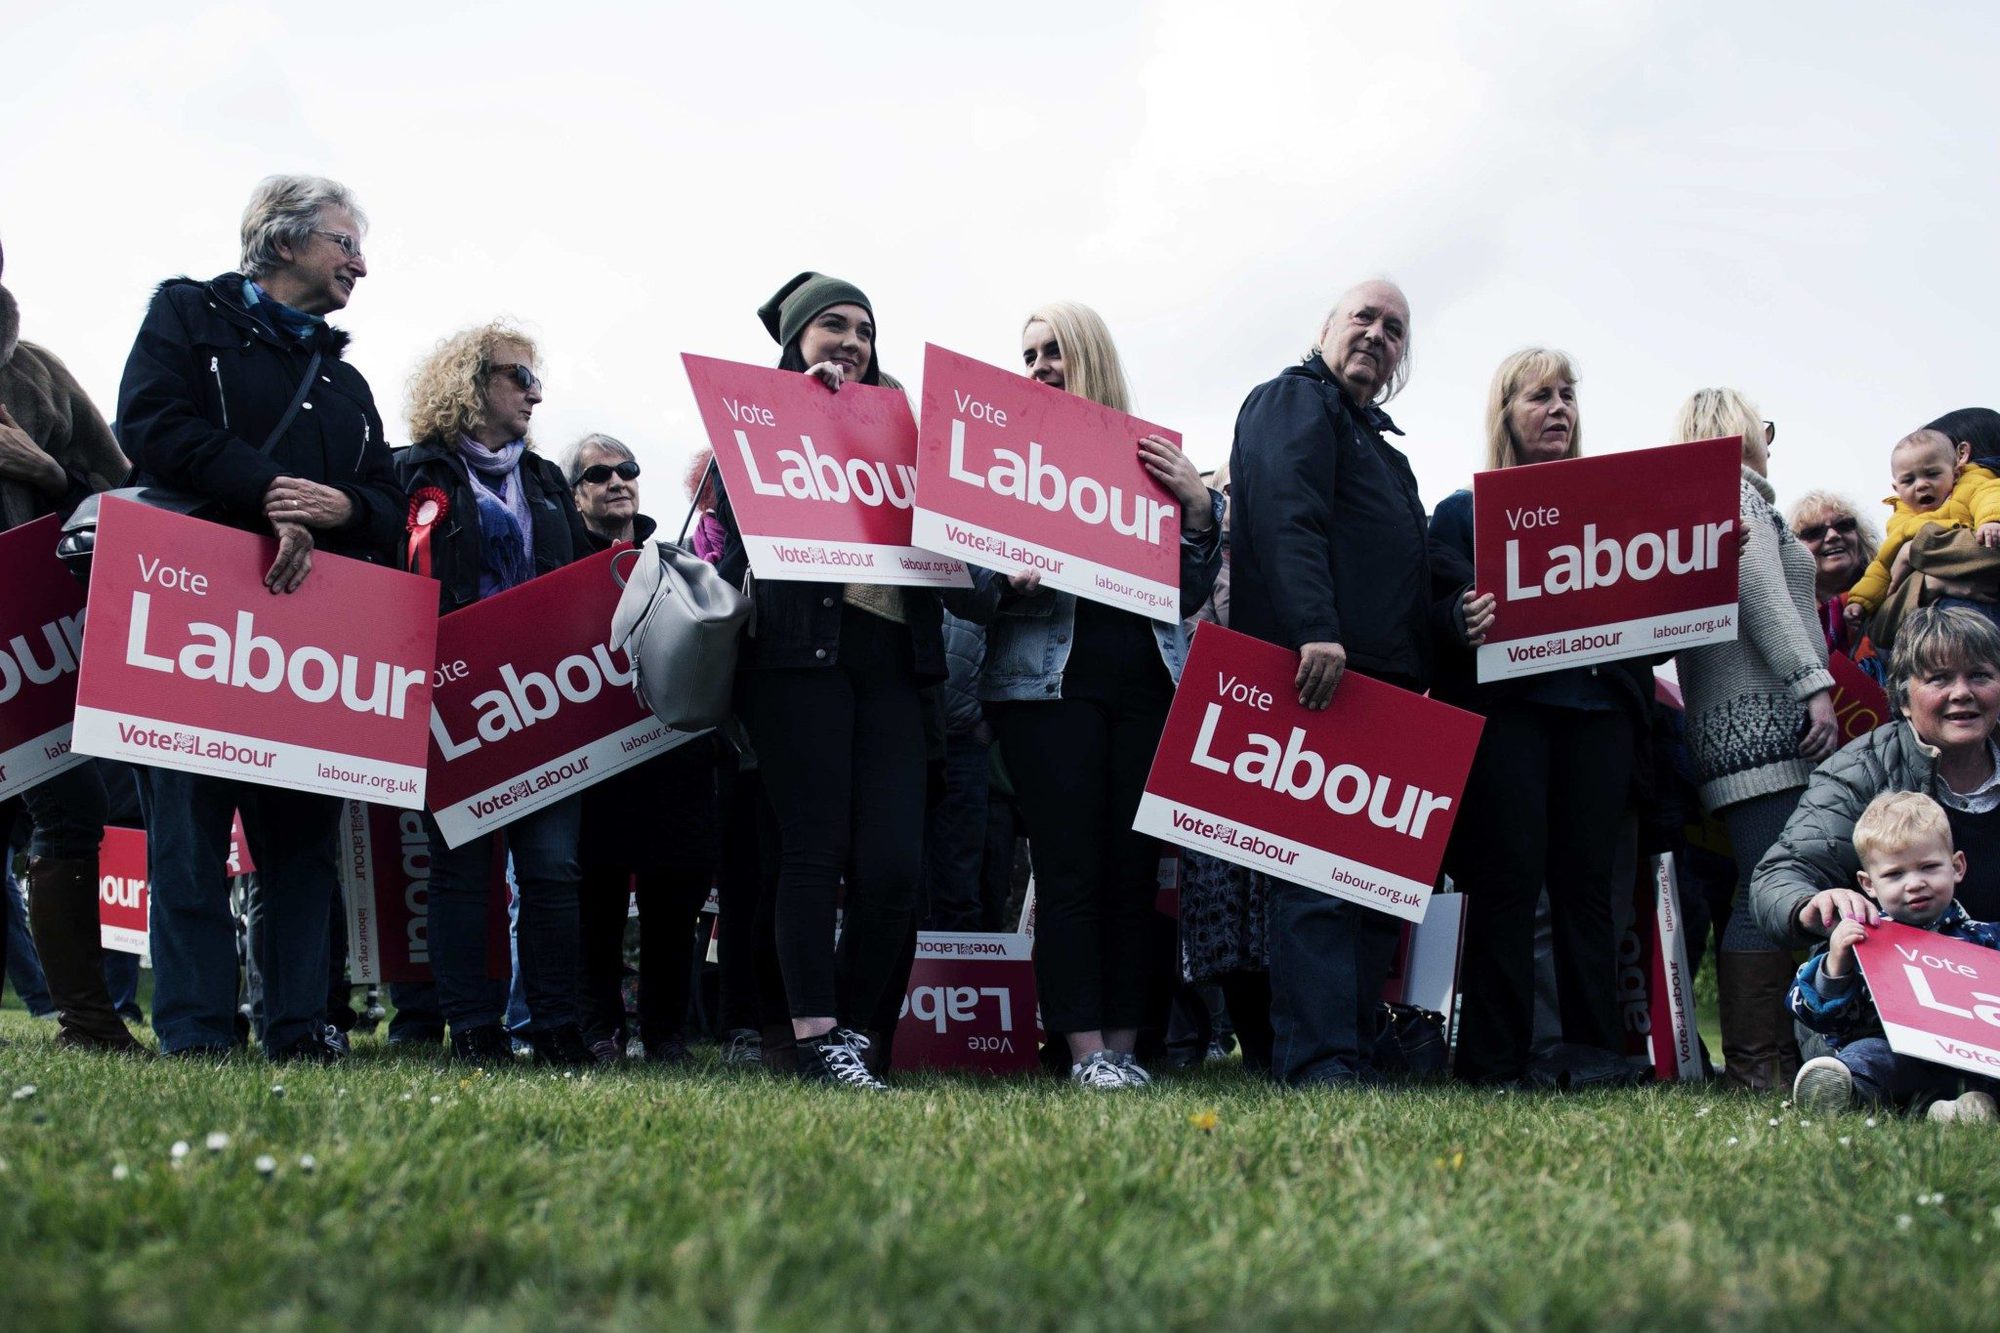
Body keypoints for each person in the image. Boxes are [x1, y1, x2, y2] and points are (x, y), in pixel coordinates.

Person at [116, 175, 401, 1061]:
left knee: (302, 844)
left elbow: (389, 503)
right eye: (344, 242)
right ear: (283, 243)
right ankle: (197, 1030)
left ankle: (298, 1024)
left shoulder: (347, 383)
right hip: (191, 618)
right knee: (189, 835)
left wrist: (344, 510)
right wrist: (266, 491)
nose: (361, 262)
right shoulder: (186, 317)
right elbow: (149, 423)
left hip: (304, 642)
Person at [1226, 278, 1488, 1088]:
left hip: (1388, 694)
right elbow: (1282, 515)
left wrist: (1452, 618)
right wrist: (1314, 627)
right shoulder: (1290, 402)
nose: (1378, 334)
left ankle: (1350, 1051)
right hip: (1321, 682)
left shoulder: (1388, 453)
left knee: (1375, 890)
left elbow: (1405, 579)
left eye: (1396, 329)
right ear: (1326, 327)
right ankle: (1317, 1063)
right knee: (1316, 888)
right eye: (1364, 318)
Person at [961, 301, 1222, 1089]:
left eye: (1055, 353)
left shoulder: (1150, 459)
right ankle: (1083, 1052)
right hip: (1048, 689)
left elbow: (1186, 592)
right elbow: (963, 575)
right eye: (1030, 353)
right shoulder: (1003, 456)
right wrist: (1002, 576)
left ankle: (1122, 1046)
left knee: (1132, 871)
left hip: (1143, 684)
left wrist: (1202, 512)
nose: (1040, 367)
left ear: (1090, 359)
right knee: (1071, 868)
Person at [714, 271, 949, 1090]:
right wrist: (798, 417)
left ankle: (852, 1031)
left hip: (893, 661)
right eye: (833, 326)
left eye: (865, 329)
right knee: (812, 849)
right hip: (796, 657)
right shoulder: (756, 413)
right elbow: (726, 537)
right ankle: (812, 1036)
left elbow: (953, 546)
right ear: (796, 340)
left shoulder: (909, 430)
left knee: (893, 867)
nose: (852, 342)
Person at [1428, 349, 1654, 1084]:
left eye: (1568, 396)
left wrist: (1706, 560)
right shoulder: (1462, 513)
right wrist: (1460, 618)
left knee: (1589, 887)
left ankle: (1594, 1054)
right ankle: (1494, 1058)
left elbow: (1654, 612)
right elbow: (1430, 615)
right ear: (1506, 414)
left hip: (1598, 718)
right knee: (1507, 883)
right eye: (1539, 396)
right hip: (1511, 721)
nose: (1559, 408)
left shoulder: (1618, 511)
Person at [396, 322, 593, 1066]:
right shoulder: (417, 473)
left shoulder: (543, 479)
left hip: (541, 696)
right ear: (470, 384)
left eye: (536, 379)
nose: (534, 391)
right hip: (457, 700)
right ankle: (471, 1024)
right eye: (519, 376)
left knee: (552, 868)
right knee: (461, 870)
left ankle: (555, 1025)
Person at [1667, 387, 1837, 1091]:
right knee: (1766, 889)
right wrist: (1813, 683)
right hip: (1762, 727)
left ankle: (1776, 1056)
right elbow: (1763, 592)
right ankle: (1754, 1067)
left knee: (1765, 883)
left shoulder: (1699, 505)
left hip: (1730, 727)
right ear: (1744, 431)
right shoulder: (1736, 493)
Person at [0, 237, 137, 1050]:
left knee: (70, 808)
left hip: (32, 635)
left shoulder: (40, 373)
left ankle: (87, 1016)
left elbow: (119, 493)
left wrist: (43, 470)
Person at [564, 432, 720, 1064]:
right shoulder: (554, 564)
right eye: (597, 474)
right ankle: (598, 1029)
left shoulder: (671, 557)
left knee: (673, 898)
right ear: (574, 494)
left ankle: (666, 1034)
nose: (616, 481)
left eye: (626, 468)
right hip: (592, 760)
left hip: (670, 757)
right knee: (594, 900)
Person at [1754, 606, 2000, 935]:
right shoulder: (1859, 770)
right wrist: (1811, 903)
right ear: (1903, 700)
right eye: (1938, 678)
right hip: (1900, 974)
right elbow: (1779, 877)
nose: (1961, 693)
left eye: (1979, 675)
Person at [1788, 791, 1999, 1120]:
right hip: (1895, 1058)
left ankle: (1959, 1110)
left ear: (1957, 867)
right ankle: (1842, 1092)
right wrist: (1836, 963)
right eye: (1895, 874)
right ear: (1868, 884)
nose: (1915, 883)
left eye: (1929, 867)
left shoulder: (1986, 938)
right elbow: (1818, 1017)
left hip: (1972, 1064)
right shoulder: (1862, 940)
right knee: (1866, 1056)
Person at [1841, 428, 2000, 627]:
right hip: (1937, 614)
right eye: (1909, 480)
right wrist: (1861, 601)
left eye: (1932, 474)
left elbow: (1990, 495)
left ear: (1956, 472)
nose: (1921, 485)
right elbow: (1881, 567)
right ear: (1896, 489)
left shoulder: (1970, 487)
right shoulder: (1900, 523)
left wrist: (1991, 520)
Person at [1788, 490, 1883, 669]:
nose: (1833, 536)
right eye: (1814, 532)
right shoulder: (1787, 621)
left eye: (1844, 525)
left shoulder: (1892, 595)